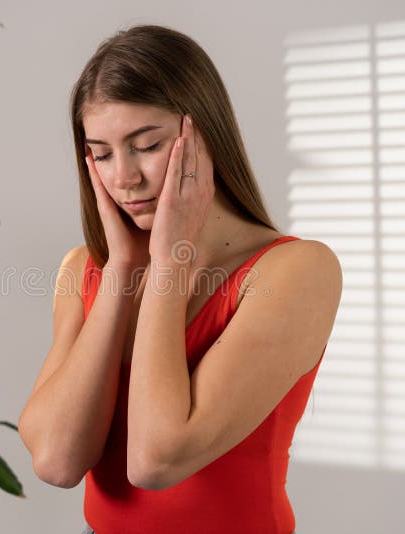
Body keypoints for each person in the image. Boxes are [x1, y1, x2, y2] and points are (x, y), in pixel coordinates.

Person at [18, 24, 342, 534]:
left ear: (205, 134)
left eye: (146, 145)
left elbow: (156, 461)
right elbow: (57, 461)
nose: (124, 177)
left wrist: (171, 264)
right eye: (102, 154)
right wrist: (122, 271)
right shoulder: (85, 269)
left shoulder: (297, 270)